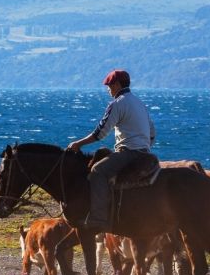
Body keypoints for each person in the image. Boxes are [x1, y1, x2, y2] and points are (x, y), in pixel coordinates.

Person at [66, 69, 157, 231]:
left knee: (97, 172)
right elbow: (152, 134)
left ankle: (98, 219)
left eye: (109, 85)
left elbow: (100, 133)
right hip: (145, 153)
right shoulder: (139, 103)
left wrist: (78, 144)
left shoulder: (117, 104)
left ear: (117, 84)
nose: (108, 89)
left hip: (129, 153)